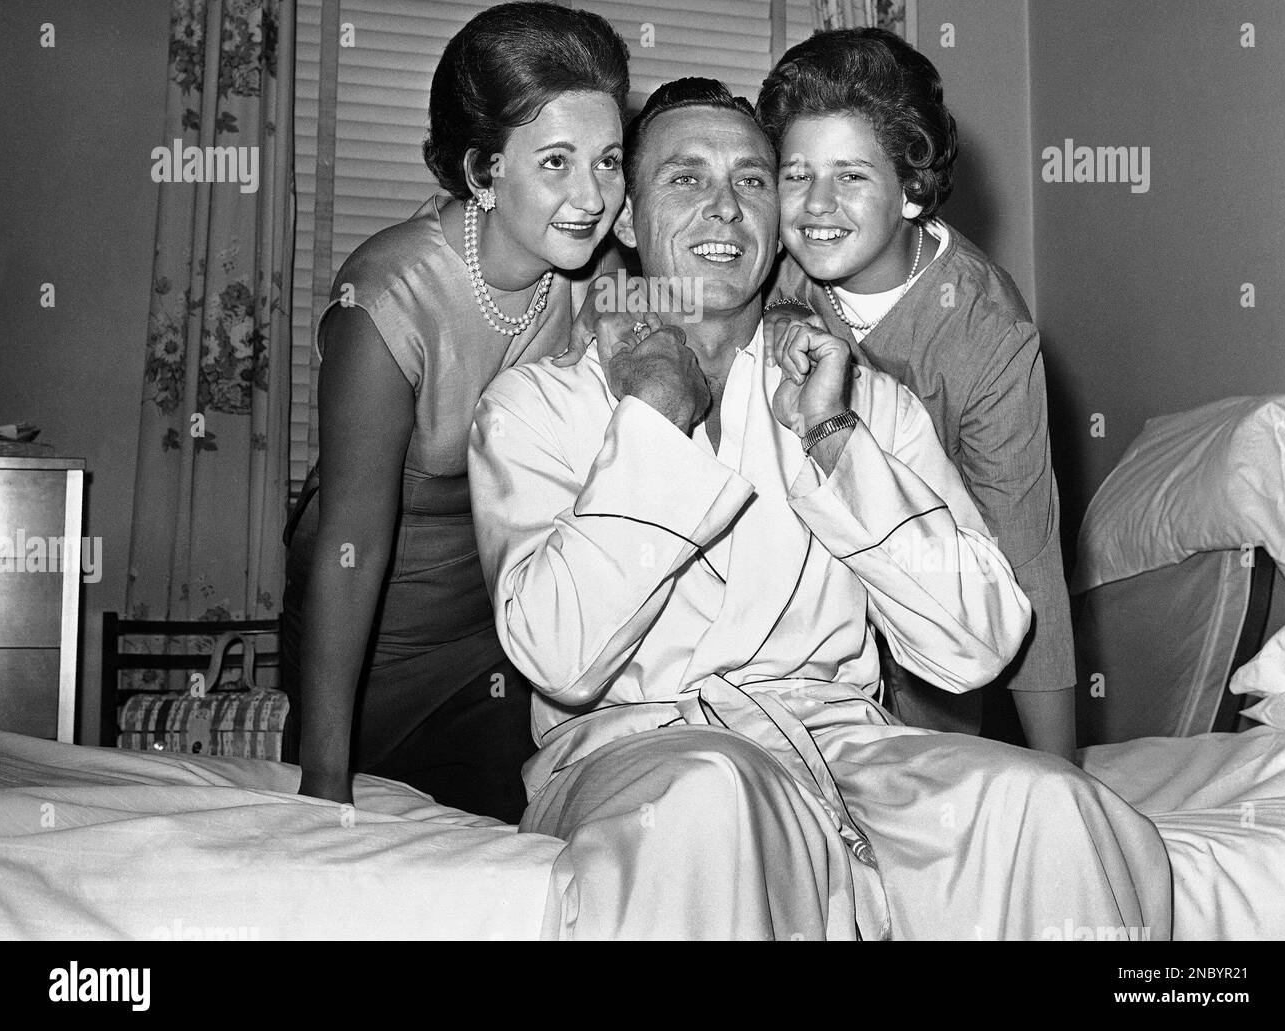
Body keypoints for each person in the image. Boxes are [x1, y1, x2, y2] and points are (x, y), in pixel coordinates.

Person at [468, 78, 1170, 939]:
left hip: (844, 749)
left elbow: (979, 641)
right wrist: (652, 417)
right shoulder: (534, 407)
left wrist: (834, 438)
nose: (725, 209)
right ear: (624, 220)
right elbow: (560, 656)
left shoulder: (859, 400)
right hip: (636, 759)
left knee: (1047, 805)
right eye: (685, 180)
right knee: (711, 795)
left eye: (753, 180)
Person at [282, 1, 630, 822]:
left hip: (493, 638)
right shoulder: (385, 299)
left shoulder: (592, 270)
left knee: (513, 850)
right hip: (369, 638)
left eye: (609, 161)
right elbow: (350, 543)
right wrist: (322, 782)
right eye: (557, 162)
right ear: (482, 170)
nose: (593, 195)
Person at [754, 29, 1076, 758]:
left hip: (929, 619)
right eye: (795, 173)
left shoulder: (987, 336)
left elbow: (1025, 569)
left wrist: (1062, 775)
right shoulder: (771, 262)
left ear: (912, 190)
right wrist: (782, 314)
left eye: (852, 176)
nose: (815, 204)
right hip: (791, 638)